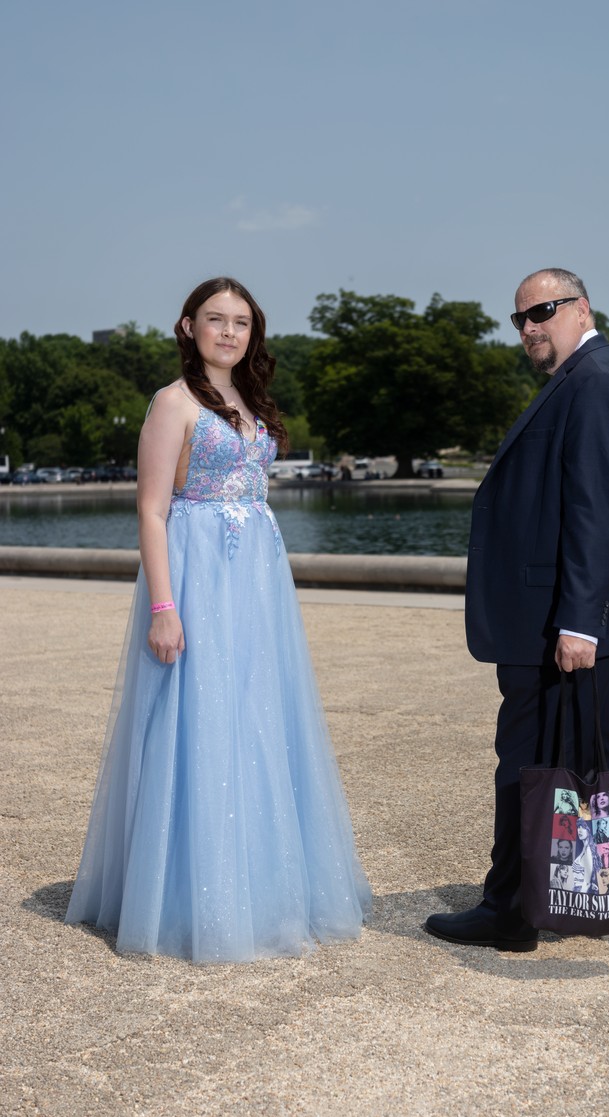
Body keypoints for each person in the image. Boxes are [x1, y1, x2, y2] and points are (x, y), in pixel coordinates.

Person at [66, 277, 371, 962]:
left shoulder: (248, 399)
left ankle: (266, 883)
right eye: (215, 319)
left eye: (241, 322)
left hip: (255, 581)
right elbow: (150, 510)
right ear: (186, 327)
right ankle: (190, 893)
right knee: (199, 719)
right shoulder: (172, 404)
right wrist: (165, 609)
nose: (229, 332)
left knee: (259, 716)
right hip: (198, 572)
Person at [425, 267, 609, 952]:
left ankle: (511, 910)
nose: (528, 328)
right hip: (571, 613)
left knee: (529, 759)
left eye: (542, 311)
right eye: (519, 318)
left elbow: (596, 510)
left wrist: (580, 622)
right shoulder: (591, 377)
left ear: (581, 308)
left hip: (565, 618)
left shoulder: (597, 381)